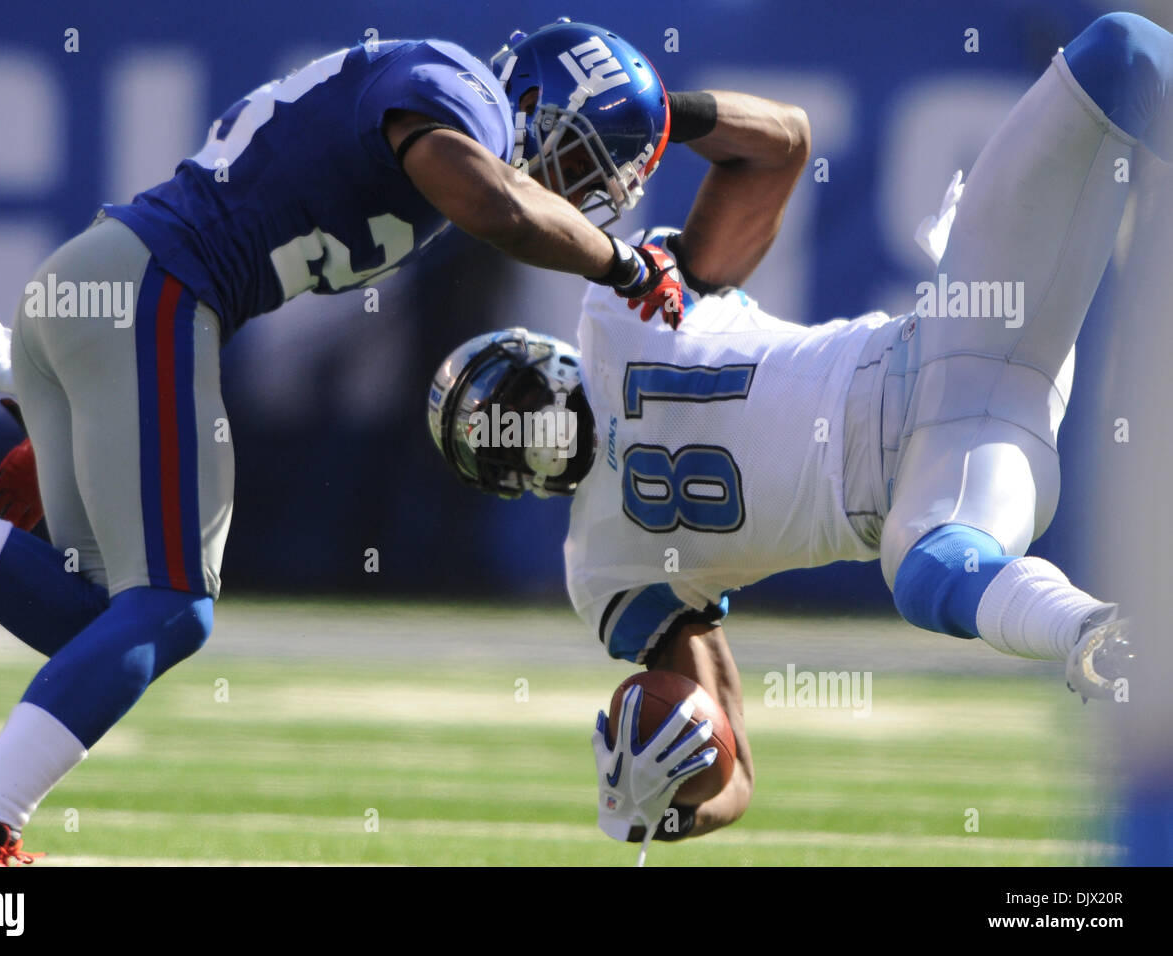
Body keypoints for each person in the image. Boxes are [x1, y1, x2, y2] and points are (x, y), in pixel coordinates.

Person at [0, 19, 688, 866]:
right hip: (149, 292)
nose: (580, 194)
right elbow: (494, 202)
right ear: (536, 103)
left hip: (116, 291)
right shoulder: (460, 90)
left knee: (97, 619)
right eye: (583, 162)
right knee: (174, 608)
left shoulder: (439, 97)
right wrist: (624, 266)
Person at [428, 13, 1163, 852]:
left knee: (1120, 52)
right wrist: (664, 805)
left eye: (512, 401)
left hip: (955, 336)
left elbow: (780, 144)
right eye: (499, 445)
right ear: (506, 484)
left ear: (541, 357)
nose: (527, 429)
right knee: (928, 574)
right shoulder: (608, 569)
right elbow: (734, 775)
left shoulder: (618, 308)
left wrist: (655, 110)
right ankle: (1102, 638)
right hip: (948, 470)